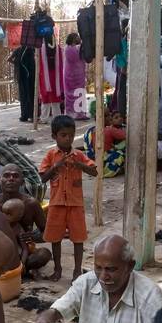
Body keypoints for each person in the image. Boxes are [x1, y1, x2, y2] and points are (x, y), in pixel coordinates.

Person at [29, 233, 162, 323]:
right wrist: (46, 318)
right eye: (98, 268)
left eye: (111, 269)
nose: (103, 276)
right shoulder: (86, 283)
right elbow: (61, 307)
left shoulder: (150, 297)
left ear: (130, 266)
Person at [39, 114, 98, 281]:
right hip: (56, 203)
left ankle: (77, 271)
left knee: (78, 238)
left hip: (75, 204)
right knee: (55, 238)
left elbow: (94, 171)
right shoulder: (51, 156)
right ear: (54, 136)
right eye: (63, 135)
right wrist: (56, 167)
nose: (68, 139)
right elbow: (42, 178)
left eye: (71, 135)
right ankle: (57, 269)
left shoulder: (78, 155)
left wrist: (78, 164)